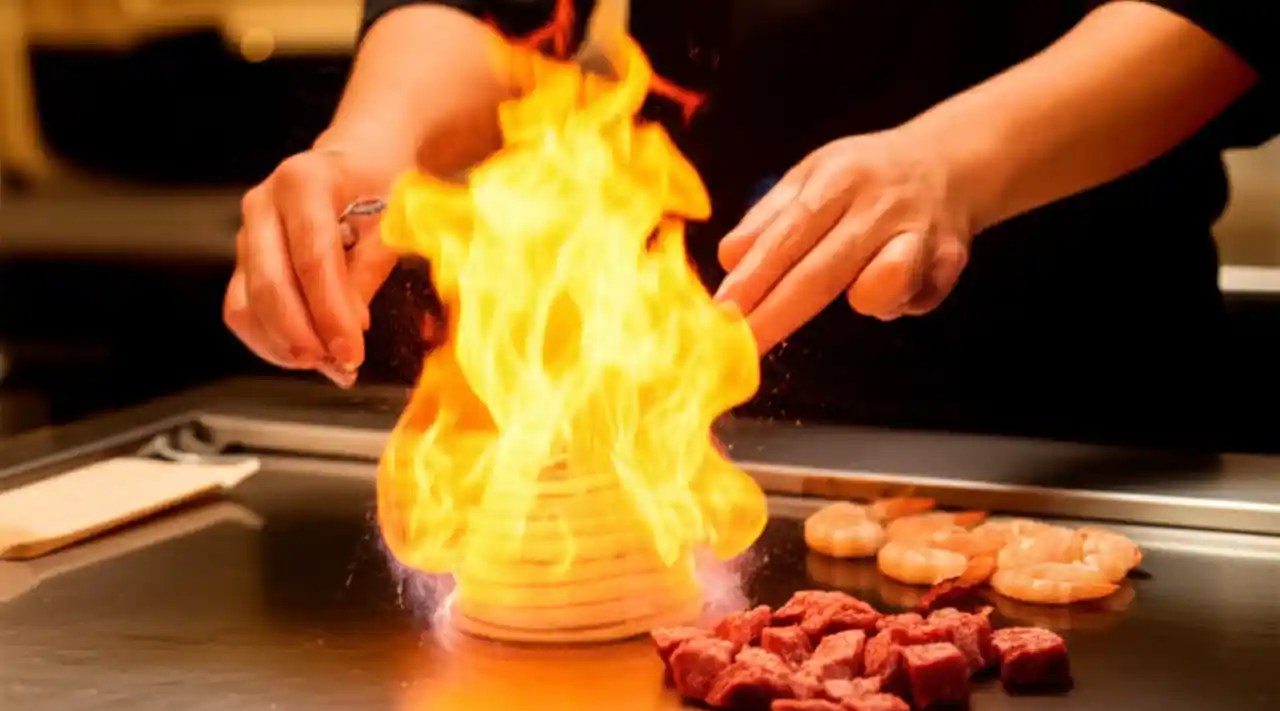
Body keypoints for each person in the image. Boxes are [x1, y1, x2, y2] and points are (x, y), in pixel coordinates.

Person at [224, 0, 1277, 449]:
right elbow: (481, 11)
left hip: (1093, 400)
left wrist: (957, 161)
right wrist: (364, 150)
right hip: (720, 407)